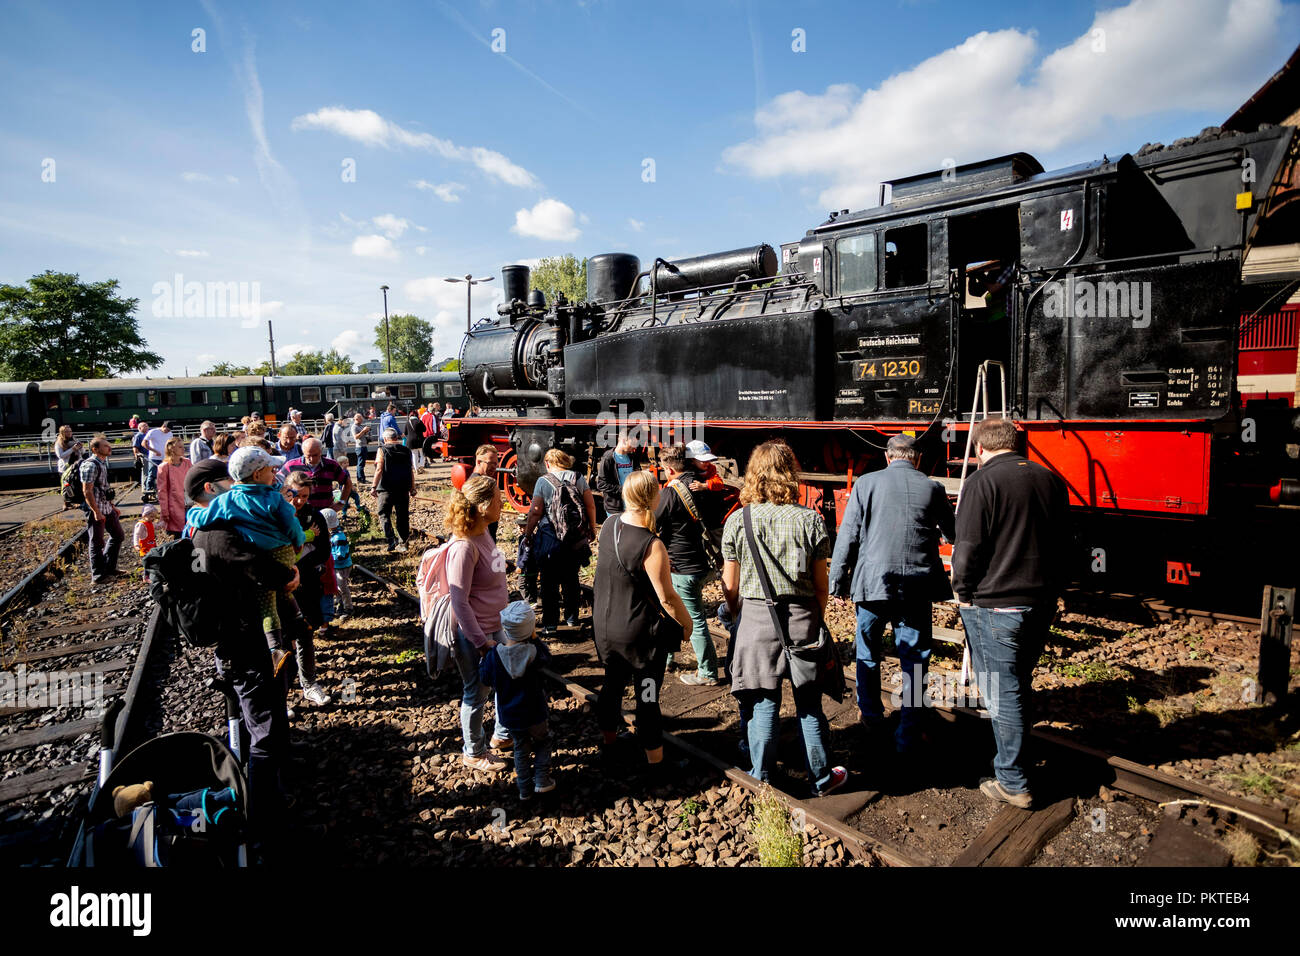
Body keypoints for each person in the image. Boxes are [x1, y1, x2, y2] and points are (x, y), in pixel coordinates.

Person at [951, 417, 1069, 810]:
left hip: (996, 605)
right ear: (1018, 445)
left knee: (1002, 693)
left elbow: (966, 547)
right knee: (1018, 682)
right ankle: (1014, 761)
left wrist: (962, 593)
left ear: (980, 449)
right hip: (1040, 603)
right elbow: (1065, 542)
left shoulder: (981, 483)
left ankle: (1013, 781)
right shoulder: (1050, 478)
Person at [721, 440, 848, 797]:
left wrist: (736, 616)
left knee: (763, 702)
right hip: (803, 616)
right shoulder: (811, 520)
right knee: (810, 705)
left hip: (755, 620)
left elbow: (730, 585)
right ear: (790, 475)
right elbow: (822, 586)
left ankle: (760, 778)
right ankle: (822, 779)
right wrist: (814, 618)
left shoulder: (737, 520)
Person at [184, 457, 293, 847]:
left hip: (238, 641)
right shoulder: (218, 532)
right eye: (228, 481)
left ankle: (267, 797)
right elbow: (256, 568)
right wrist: (288, 575)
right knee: (264, 731)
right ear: (212, 488)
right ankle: (262, 821)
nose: (237, 487)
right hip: (245, 644)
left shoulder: (204, 527)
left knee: (261, 722)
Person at [829, 434, 955, 756]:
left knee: (867, 653)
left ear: (888, 458)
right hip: (916, 587)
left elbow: (848, 536)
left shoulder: (866, 484)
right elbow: (952, 534)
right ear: (917, 459)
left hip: (873, 585)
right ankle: (908, 734)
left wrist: (837, 581)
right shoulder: (933, 488)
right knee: (915, 662)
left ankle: (871, 716)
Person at [592, 470, 693, 773]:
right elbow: (667, 598)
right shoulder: (652, 544)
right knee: (647, 694)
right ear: (653, 498)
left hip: (606, 628)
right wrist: (687, 625)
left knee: (611, 686)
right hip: (640, 637)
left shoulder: (609, 525)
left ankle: (609, 745)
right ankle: (655, 764)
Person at [186, 446, 306, 679]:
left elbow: (202, 518)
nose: (275, 473)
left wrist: (190, 515)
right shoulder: (274, 498)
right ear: (259, 474)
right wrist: (299, 541)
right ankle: (298, 623)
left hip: (258, 558)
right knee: (283, 593)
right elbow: (292, 525)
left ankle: (275, 648)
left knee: (267, 606)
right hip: (282, 552)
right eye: (271, 469)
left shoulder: (227, 502)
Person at [444, 474, 511, 773]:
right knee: (476, 691)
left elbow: (491, 574)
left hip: (496, 624)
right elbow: (459, 601)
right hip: (476, 634)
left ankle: (502, 735)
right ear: (482, 506)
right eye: (497, 500)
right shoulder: (463, 547)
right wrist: (481, 642)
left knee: (502, 683)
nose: (502, 502)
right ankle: (473, 752)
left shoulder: (483, 531)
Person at [655, 445, 719, 686]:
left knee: (694, 619)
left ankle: (708, 673)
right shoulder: (703, 483)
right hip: (703, 561)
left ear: (670, 469)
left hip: (681, 565)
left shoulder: (671, 493)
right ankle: (668, 657)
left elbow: (652, 522)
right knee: (670, 611)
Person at [479, 601, 555, 800]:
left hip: (510, 716)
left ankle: (524, 789)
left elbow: (485, 678)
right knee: (543, 741)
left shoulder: (494, 656)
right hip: (536, 712)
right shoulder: (535, 652)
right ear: (531, 630)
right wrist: (535, 639)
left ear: (505, 628)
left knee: (520, 748)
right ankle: (542, 781)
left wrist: (484, 657)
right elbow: (548, 659)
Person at [522, 448, 597, 634]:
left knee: (549, 582)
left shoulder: (543, 481)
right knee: (572, 578)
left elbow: (535, 512)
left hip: (550, 537)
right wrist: (592, 529)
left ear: (547, 463)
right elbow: (590, 505)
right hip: (574, 537)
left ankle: (550, 624)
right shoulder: (578, 477)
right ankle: (572, 619)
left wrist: (528, 534)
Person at [284, 474, 336, 703]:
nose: (299, 501)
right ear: (286, 491)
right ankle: (282, 690)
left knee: (306, 633)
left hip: (307, 582)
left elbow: (324, 550)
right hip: (283, 584)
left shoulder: (315, 516)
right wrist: (307, 542)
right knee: (283, 639)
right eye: (295, 495)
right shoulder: (277, 515)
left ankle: (309, 683)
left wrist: (298, 558)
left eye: (304, 496)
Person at [80, 436, 124, 585]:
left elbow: (104, 488)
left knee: (118, 535)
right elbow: (87, 491)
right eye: (105, 446)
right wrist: (96, 511)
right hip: (96, 509)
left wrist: (112, 506)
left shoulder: (102, 463)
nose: (109, 448)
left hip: (106, 507)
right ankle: (98, 575)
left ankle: (109, 568)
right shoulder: (90, 465)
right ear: (95, 449)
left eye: (109, 445)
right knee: (97, 542)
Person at [277, 437, 355, 516]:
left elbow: (347, 482)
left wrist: (341, 502)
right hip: (299, 513)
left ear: (321, 451)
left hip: (324, 513)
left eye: (315, 455)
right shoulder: (291, 465)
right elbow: (277, 482)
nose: (311, 459)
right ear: (303, 452)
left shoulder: (331, 465)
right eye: (308, 456)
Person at [372, 427, 415, 552]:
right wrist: (412, 487)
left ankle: (391, 540)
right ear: (396, 438)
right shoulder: (407, 451)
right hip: (403, 489)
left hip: (385, 488)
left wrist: (374, 486)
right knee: (402, 516)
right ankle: (403, 544)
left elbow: (379, 469)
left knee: (384, 514)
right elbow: (410, 470)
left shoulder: (382, 449)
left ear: (385, 439)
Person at [596, 431, 645, 518]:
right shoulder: (608, 458)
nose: (634, 447)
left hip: (632, 505)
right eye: (633, 443)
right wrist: (623, 489)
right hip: (615, 508)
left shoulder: (633, 457)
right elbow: (601, 484)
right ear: (623, 441)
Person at [156, 436, 193, 537]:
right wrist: (165, 511)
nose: (183, 449)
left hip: (190, 503)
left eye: (183, 446)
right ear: (172, 448)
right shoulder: (164, 467)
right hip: (174, 507)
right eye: (180, 447)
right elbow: (162, 491)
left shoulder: (187, 462)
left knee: (192, 532)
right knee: (178, 535)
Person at [329, 508, 353, 622]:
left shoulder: (338, 538)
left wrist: (328, 558)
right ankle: (340, 604)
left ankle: (348, 608)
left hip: (342, 566)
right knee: (337, 586)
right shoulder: (334, 535)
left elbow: (341, 555)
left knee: (342, 587)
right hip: (337, 566)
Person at [473, 444, 500, 540]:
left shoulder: (476, 481)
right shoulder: (479, 485)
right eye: (490, 463)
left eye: (496, 464)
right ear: (479, 462)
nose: (494, 467)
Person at [142, 421, 172, 502]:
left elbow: (170, 445)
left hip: (165, 458)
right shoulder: (153, 432)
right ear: (163, 426)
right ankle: (148, 492)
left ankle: (163, 492)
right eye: (167, 429)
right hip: (154, 458)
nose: (167, 431)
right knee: (152, 475)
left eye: (169, 430)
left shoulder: (170, 434)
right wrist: (154, 450)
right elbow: (143, 443)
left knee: (165, 476)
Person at [350, 413, 372, 484]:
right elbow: (356, 437)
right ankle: (361, 479)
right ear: (357, 419)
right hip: (360, 447)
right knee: (360, 464)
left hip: (363, 446)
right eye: (361, 418)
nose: (362, 419)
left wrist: (366, 431)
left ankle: (361, 478)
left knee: (361, 463)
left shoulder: (360, 426)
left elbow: (362, 435)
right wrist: (363, 431)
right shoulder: (354, 427)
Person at [131, 422, 151, 498]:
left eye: (147, 425)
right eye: (144, 426)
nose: (146, 427)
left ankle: (150, 487)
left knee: (151, 472)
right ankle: (146, 489)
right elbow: (135, 447)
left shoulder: (148, 434)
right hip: (144, 456)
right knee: (146, 473)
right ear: (139, 428)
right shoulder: (138, 436)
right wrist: (138, 456)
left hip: (151, 455)